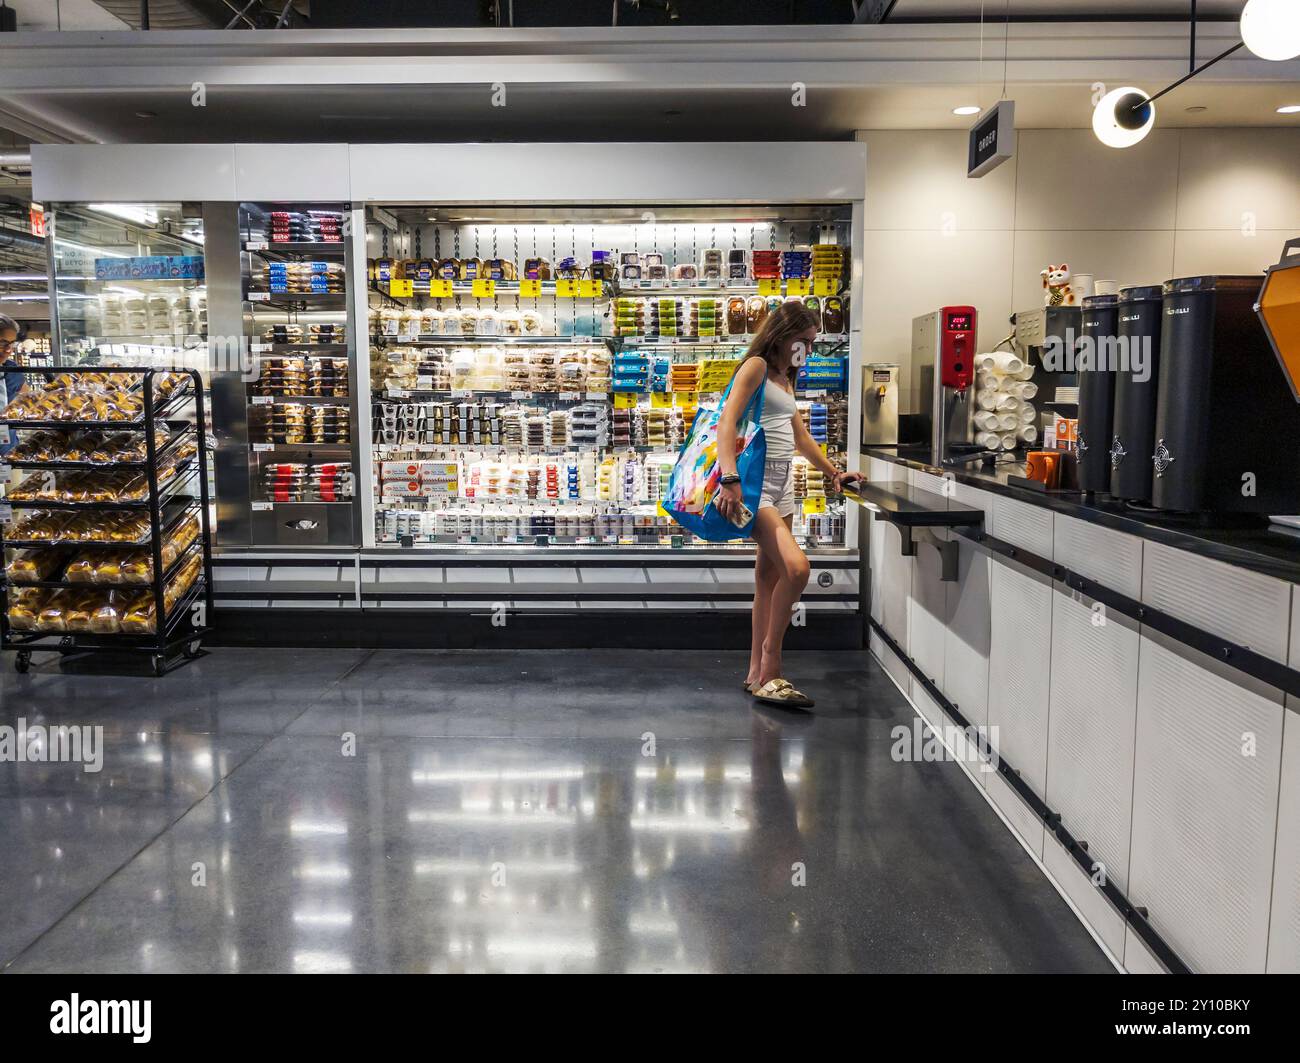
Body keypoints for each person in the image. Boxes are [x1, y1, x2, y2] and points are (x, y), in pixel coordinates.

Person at [715, 301, 863, 709]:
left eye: (813, 343)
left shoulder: (784, 377)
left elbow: (799, 436)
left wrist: (834, 472)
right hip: (755, 483)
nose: (809, 350)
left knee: (768, 578)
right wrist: (729, 477)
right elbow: (726, 422)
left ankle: (753, 675)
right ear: (783, 335)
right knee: (797, 569)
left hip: (783, 484)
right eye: (805, 341)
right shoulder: (757, 367)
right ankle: (771, 665)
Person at [0, 313, 22, 456]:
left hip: (9, 455)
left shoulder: (12, 370)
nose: (8, 350)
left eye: (12, 344)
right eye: (2, 343)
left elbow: (30, 400)